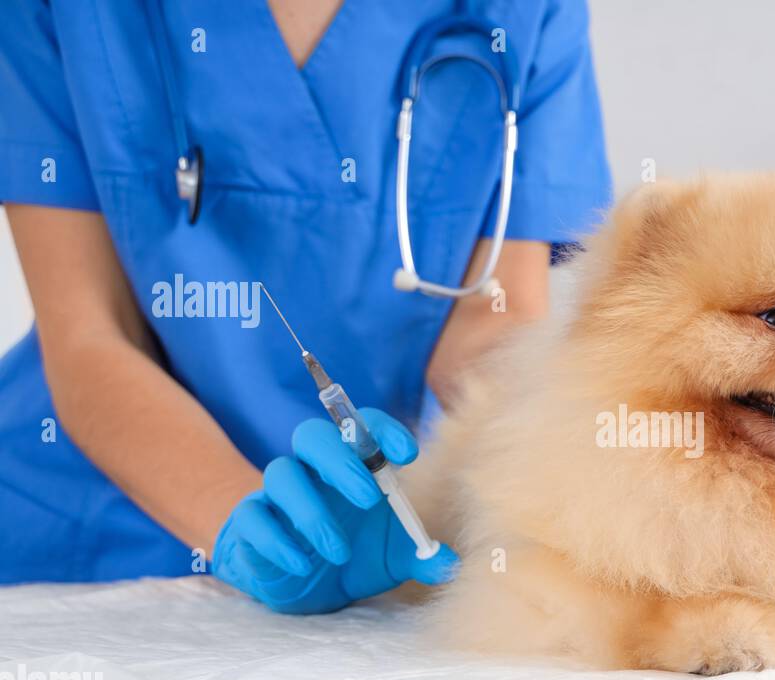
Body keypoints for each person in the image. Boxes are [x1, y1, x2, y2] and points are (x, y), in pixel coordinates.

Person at [0, 0, 611, 611]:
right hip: (88, 545)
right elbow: (87, 334)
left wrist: (471, 489)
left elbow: (495, 323)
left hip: (380, 544)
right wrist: (252, 527)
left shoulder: (521, 13)